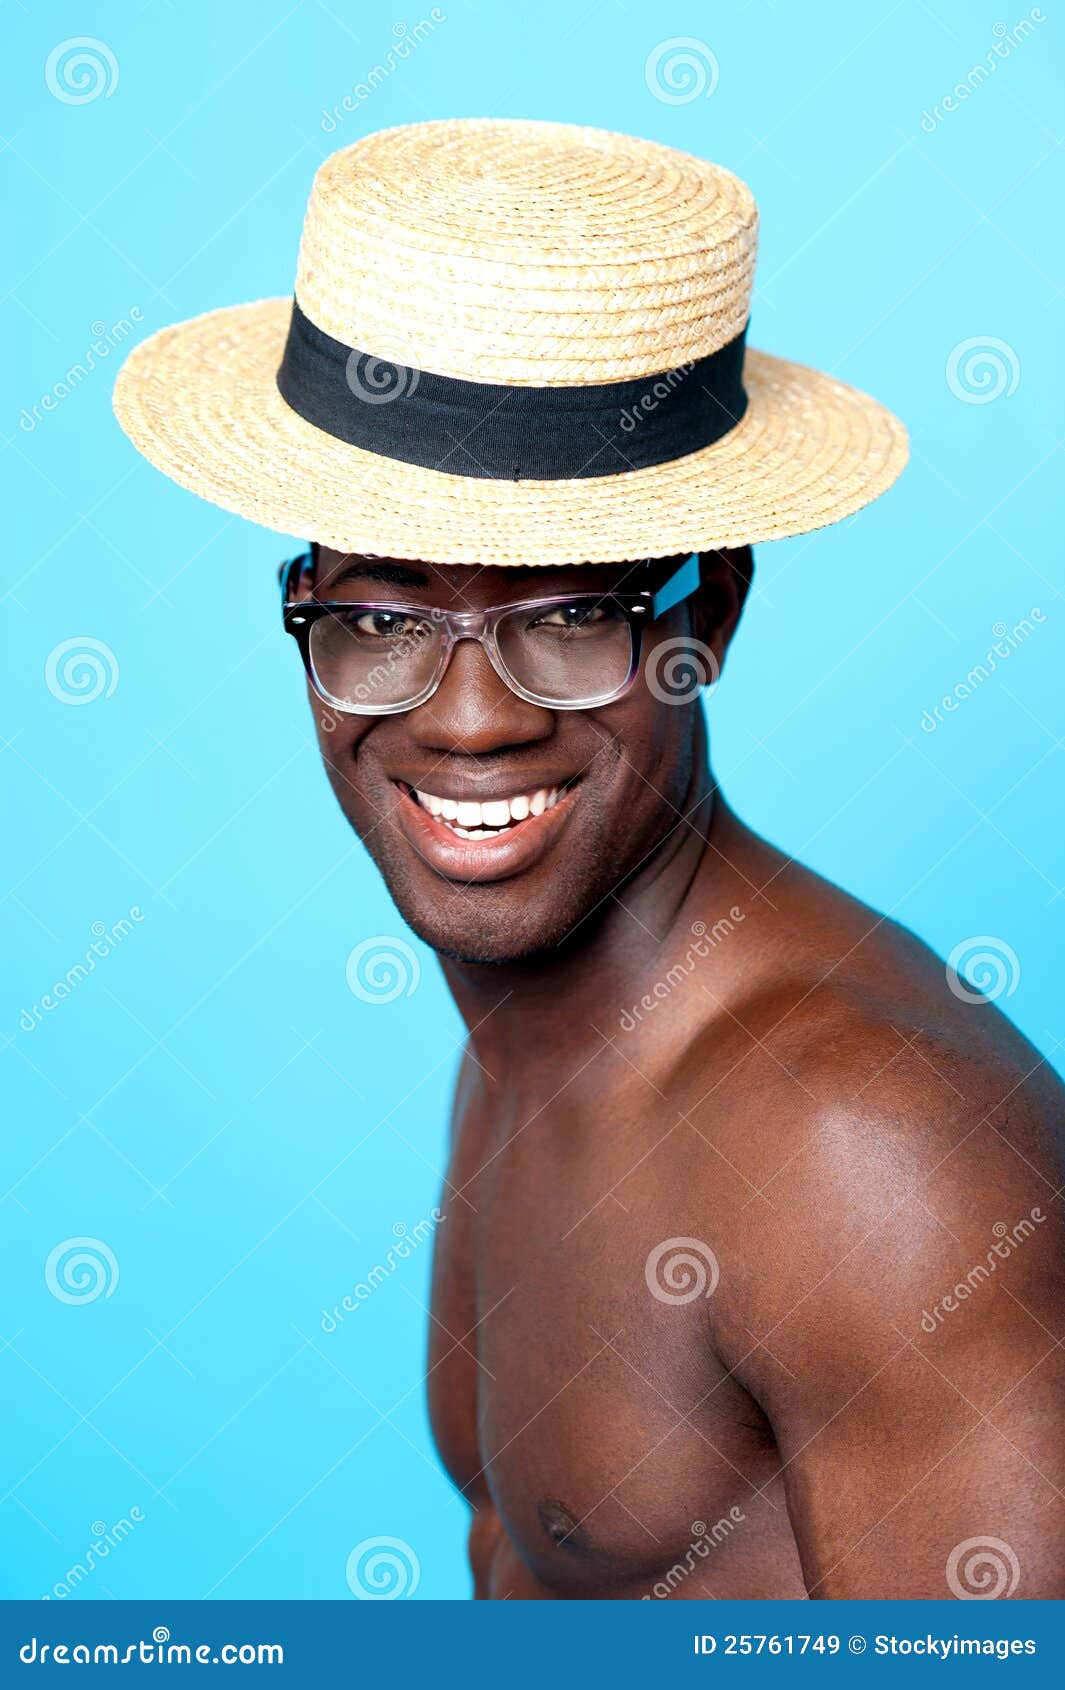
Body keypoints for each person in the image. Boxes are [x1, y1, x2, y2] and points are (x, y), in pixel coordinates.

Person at [115, 118, 1064, 1600]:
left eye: (569, 616)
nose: (469, 720)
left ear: (707, 617)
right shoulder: (520, 1043)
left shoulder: (863, 1146)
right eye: (380, 617)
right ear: (302, 616)